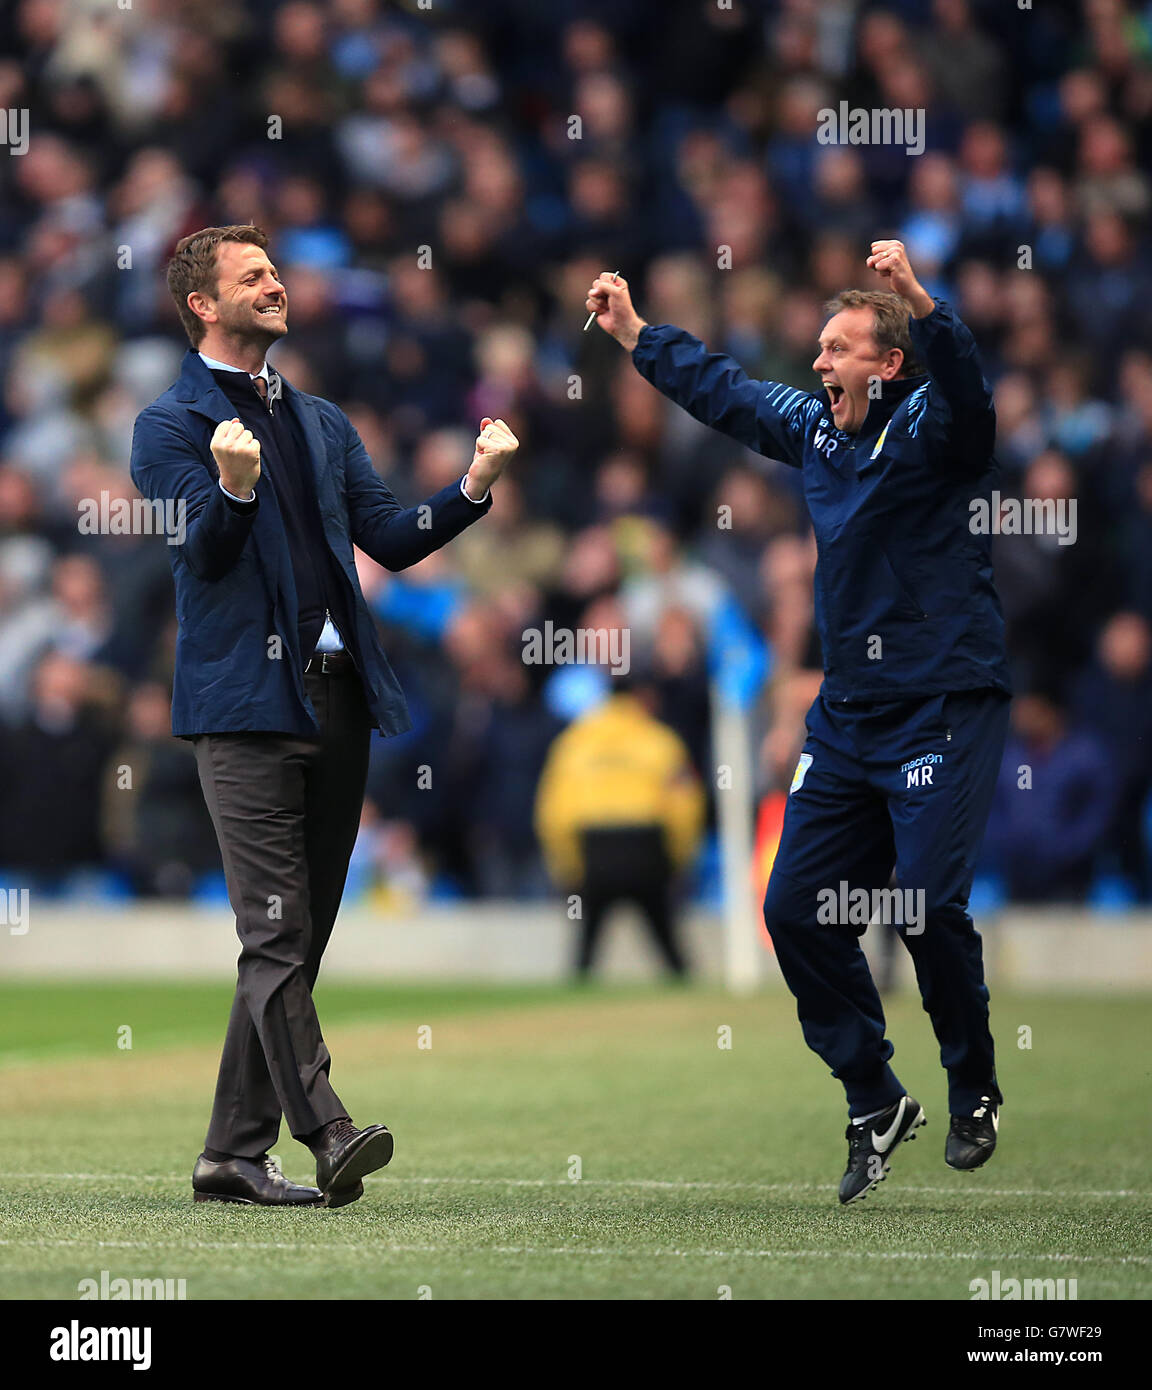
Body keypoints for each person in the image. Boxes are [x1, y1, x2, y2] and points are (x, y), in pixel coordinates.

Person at [586, 242, 1011, 1204]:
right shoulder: (817, 430)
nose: (818, 364)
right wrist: (638, 336)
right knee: (790, 908)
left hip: (942, 703)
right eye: (817, 349)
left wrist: (922, 303)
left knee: (926, 906)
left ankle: (972, 1081)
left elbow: (976, 404)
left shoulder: (936, 429)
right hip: (849, 717)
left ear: (887, 363)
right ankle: (873, 1095)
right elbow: (727, 391)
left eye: (838, 348)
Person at [130, 225, 517, 1208]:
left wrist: (471, 488)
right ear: (203, 305)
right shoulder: (166, 425)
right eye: (251, 275)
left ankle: (228, 1154)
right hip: (242, 709)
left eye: (275, 270)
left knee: (291, 943)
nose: (276, 282)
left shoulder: (321, 420)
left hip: (337, 701)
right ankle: (328, 1128)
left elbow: (387, 537)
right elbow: (206, 554)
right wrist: (232, 487)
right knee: (274, 931)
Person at [534, 675, 705, 978]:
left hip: (595, 850)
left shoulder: (575, 741)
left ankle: (574, 1008)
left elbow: (554, 812)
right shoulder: (660, 740)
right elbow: (686, 807)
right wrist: (678, 859)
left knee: (585, 954)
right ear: (642, 696)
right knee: (671, 950)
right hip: (647, 848)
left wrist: (568, 867)